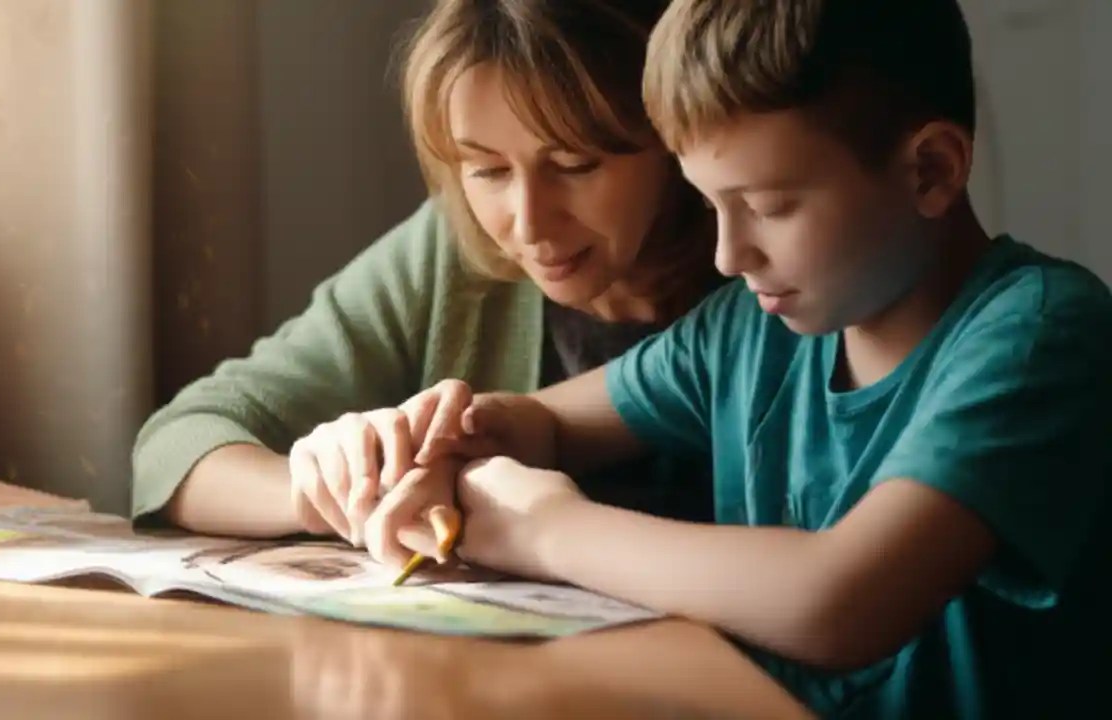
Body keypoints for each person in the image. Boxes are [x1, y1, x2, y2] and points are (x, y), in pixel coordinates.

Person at [380, 0, 1112, 716]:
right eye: (711, 206)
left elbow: (840, 604)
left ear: (930, 170)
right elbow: (542, 423)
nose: (728, 256)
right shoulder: (746, 327)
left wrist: (542, 528)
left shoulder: (1039, 335)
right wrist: (449, 437)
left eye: (765, 206)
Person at [131, 0, 721, 546]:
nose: (529, 223)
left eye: (574, 164)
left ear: (672, 134)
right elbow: (176, 445)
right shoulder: (449, 252)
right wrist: (330, 491)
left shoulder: (763, 276)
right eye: (487, 170)